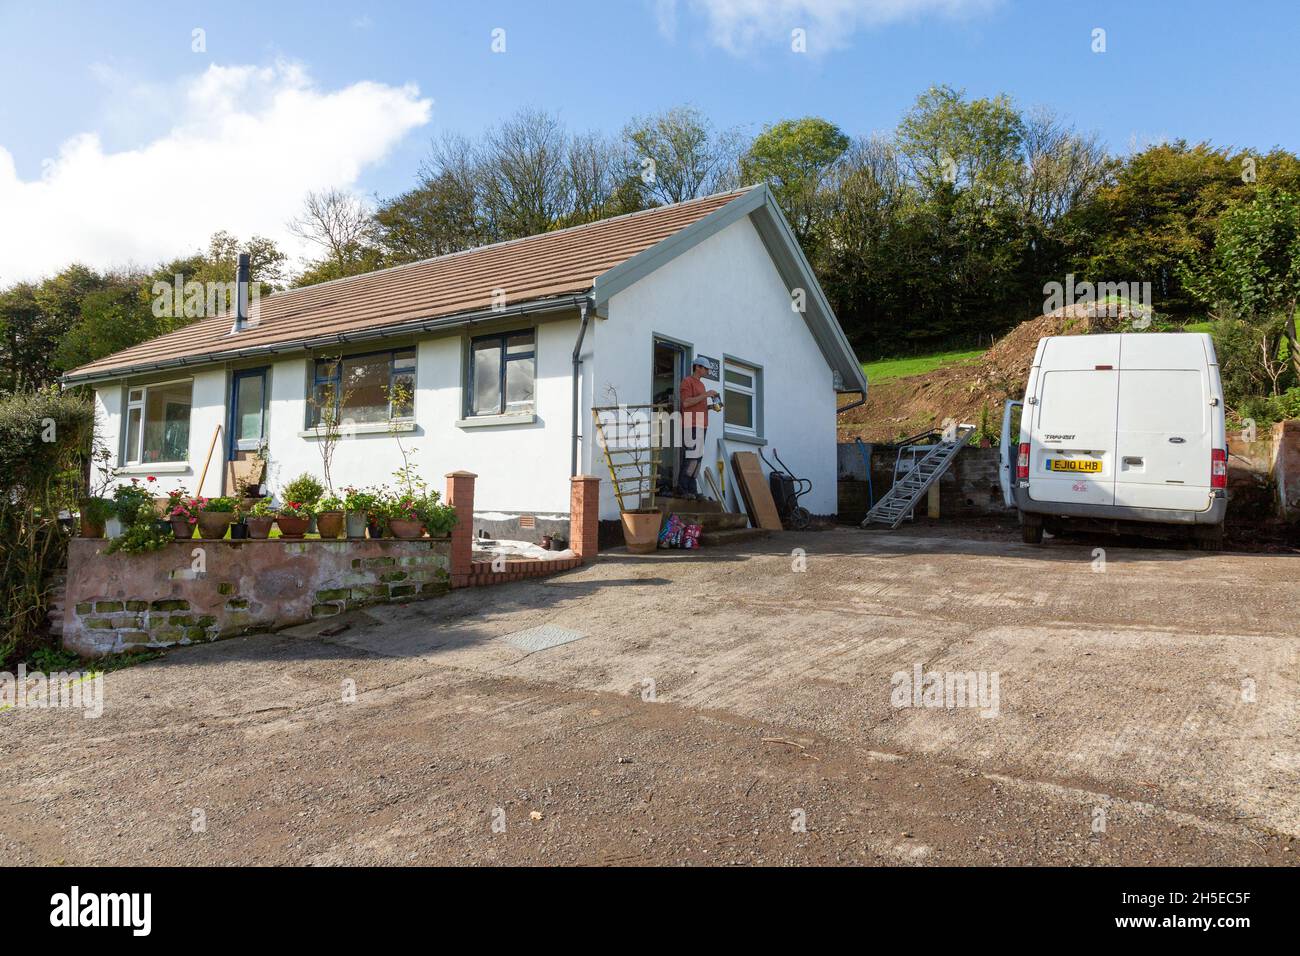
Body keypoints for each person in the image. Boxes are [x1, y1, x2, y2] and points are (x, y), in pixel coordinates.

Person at [677, 359, 719, 497]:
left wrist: (710, 407)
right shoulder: (687, 381)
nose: (707, 371)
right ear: (698, 367)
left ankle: (692, 490)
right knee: (690, 457)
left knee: (698, 458)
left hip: (701, 423)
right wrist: (706, 395)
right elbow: (686, 403)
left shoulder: (701, 384)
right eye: (706, 369)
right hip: (691, 423)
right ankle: (683, 489)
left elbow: (698, 405)